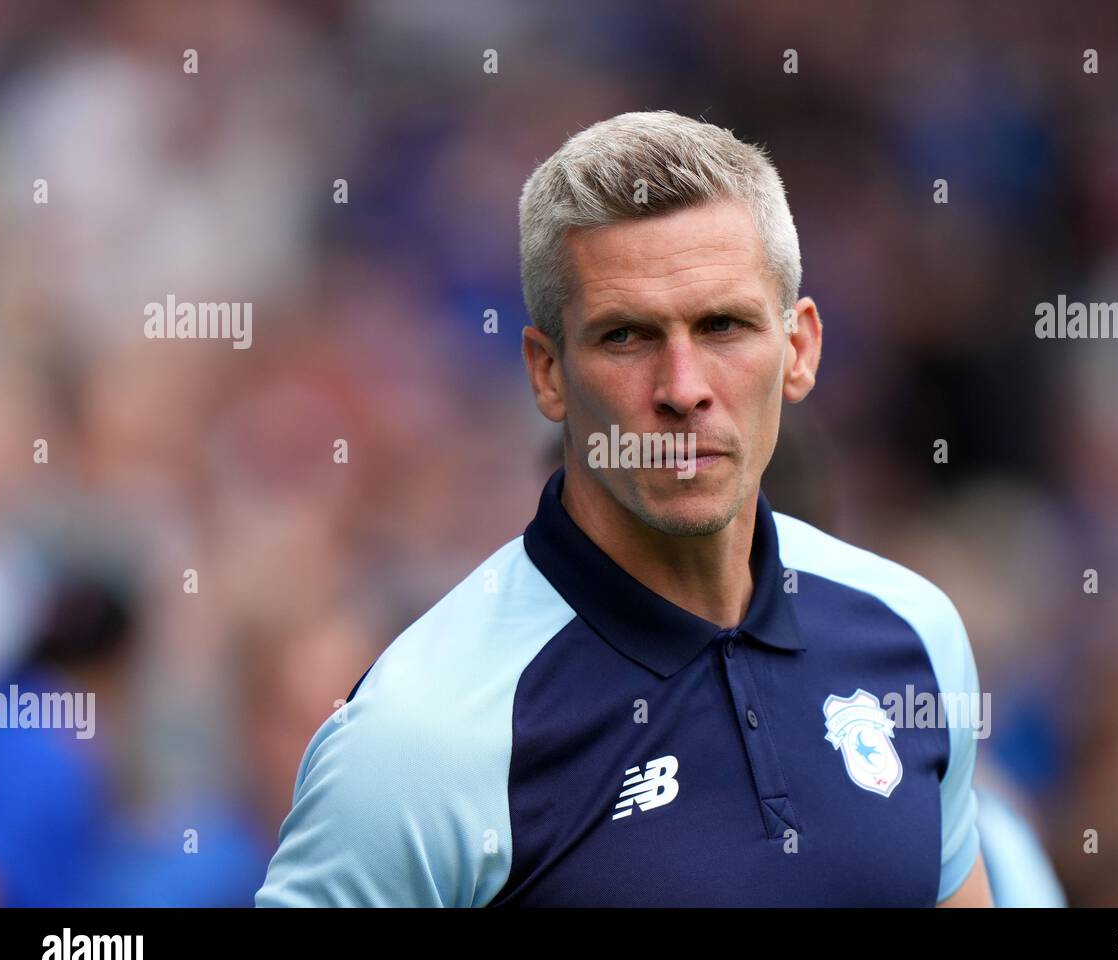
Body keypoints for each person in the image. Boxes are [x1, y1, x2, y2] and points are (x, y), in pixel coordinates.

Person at [256, 110, 993, 907]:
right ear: (547, 373)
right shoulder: (417, 739)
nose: (683, 388)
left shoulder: (912, 633)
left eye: (723, 325)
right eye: (627, 337)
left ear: (800, 348)